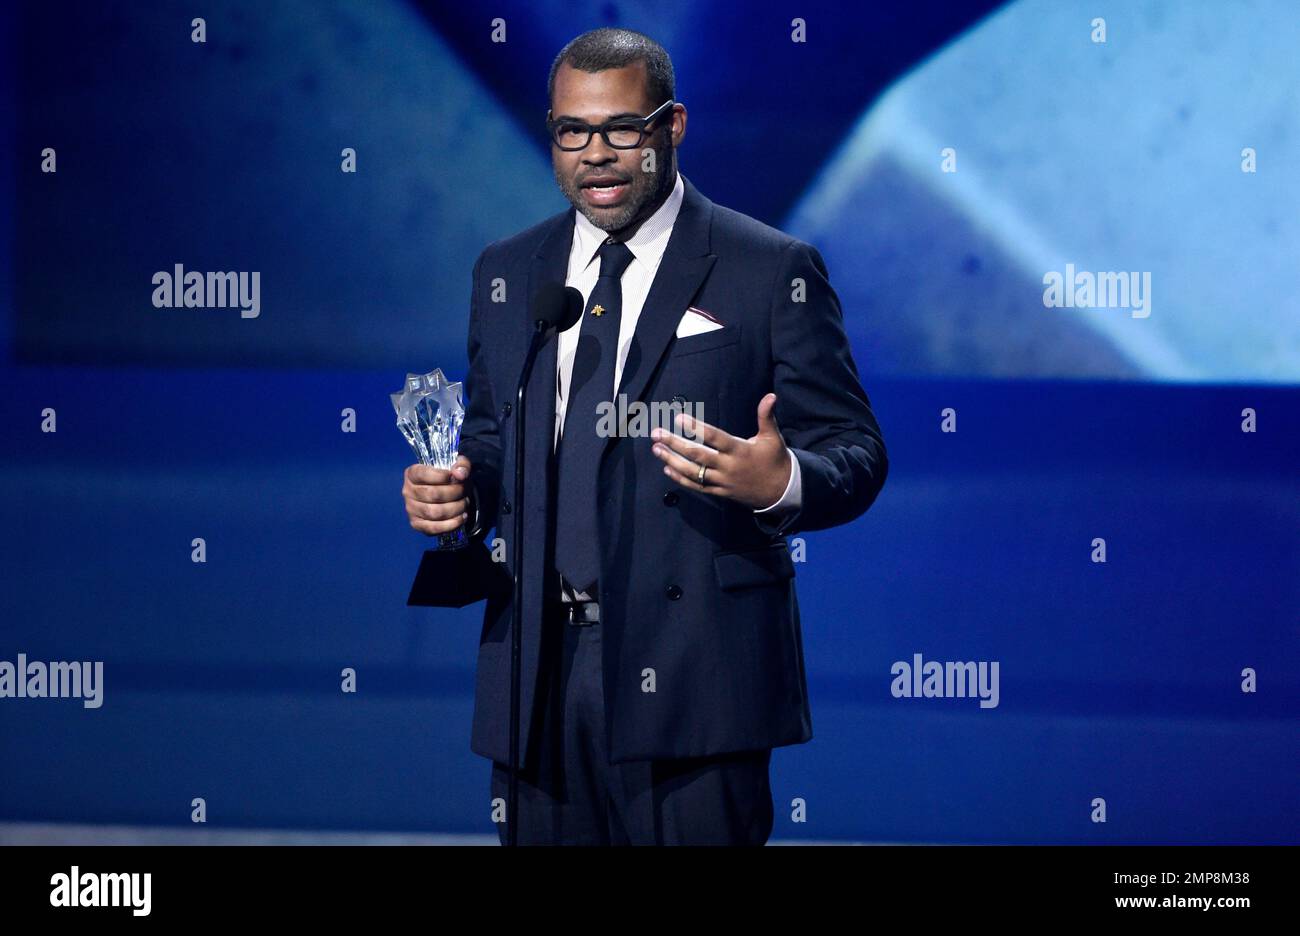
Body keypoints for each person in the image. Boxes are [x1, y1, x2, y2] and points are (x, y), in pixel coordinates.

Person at [401, 27, 887, 845]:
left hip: (698, 681)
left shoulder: (768, 268)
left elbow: (856, 451)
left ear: (673, 127)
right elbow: (493, 437)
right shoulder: (508, 273)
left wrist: (781, 482)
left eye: (623, 129)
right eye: (572, 132)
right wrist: (458, 495)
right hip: (537, 677)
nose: (597, 154)